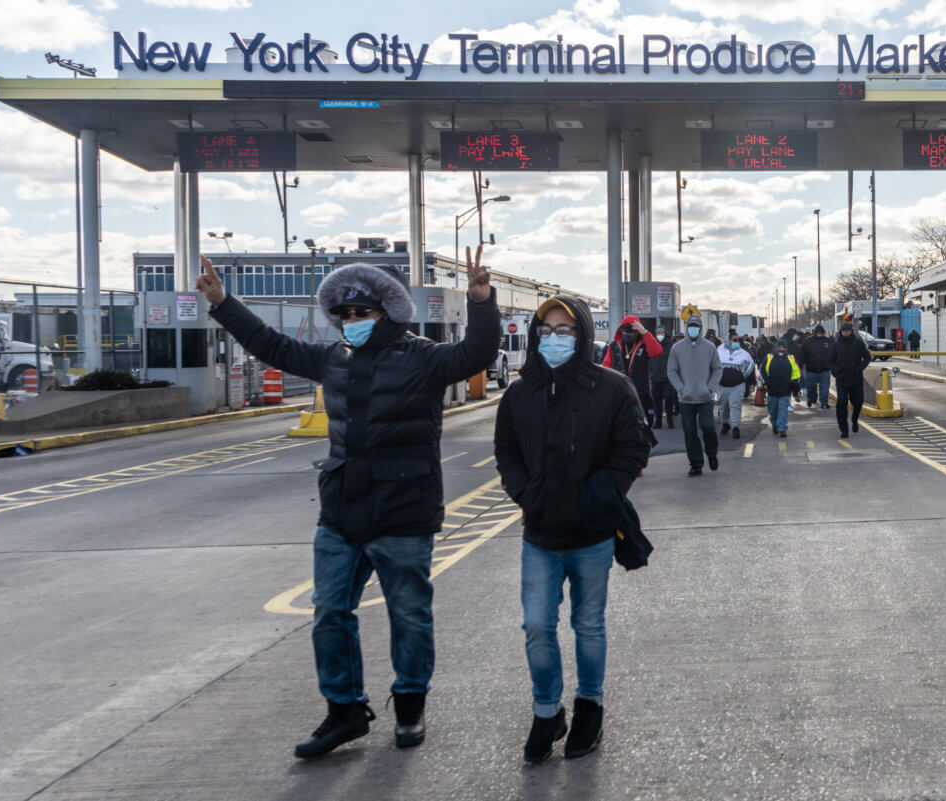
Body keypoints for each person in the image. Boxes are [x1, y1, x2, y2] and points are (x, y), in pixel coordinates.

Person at [197, 249, 499, 759]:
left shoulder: (424, 357)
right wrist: (224, 302)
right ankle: (345, 711)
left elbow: (477, 353)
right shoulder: (332, 358)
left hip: (405, 509)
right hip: (341, 509)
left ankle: (409, 707)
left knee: (409, 613)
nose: (354, 322)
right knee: (329, 612)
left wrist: (480, 301)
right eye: (347, 315)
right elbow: (271, 344)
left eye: (365, 313)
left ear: (388, 312)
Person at [494, 296, 651, 763]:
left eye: (565, 330)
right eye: (547, 330)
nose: (555, 338)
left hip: (592, 534)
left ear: (582, 335)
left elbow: (633, 448)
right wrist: (527, 494)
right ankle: (547, 711)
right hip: (540, 534)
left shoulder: (612, 387)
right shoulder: (520, 393)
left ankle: (589, 708)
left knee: (588, 624)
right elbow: (506, 452)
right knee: (538, 626)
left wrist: (599, 496)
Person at [668, 315, 723, 476]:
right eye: (690, 325)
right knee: (690, 432)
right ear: (687, 327)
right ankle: (696, 464)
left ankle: (711, 454)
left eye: (696, 326)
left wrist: (710, 387)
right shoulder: (677, 348)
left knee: (708, 427)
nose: (693, 328)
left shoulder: (709, 347)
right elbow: (672, 371)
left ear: (700, 328)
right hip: (686, 399)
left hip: (705, 397)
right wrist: (680, 388)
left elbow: (717, 368)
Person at [603, 315, 662, 428]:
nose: (626, 335)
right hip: (620, 396)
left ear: (636, 332)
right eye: (624, 332)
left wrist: (644, 332)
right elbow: (607, 366)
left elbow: (657, 351)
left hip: (642, 395)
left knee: (645, 430)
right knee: (623, 429)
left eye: (630, 332)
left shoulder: (644, 345)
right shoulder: (614, 346)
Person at [828, 321, 873, 438]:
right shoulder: (836, 345)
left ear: (851, 331)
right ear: (841, 332)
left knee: (858, 403)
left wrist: (861, 368)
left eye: (847, 330)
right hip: (842, 380)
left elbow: (867, 357)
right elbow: (830, 361)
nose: (845, 333)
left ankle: (854, 419)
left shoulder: (858, 343)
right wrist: (836, 371)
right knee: (841, 404)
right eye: (843, 331)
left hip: (856, 379)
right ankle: (844, 429)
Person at [716, 333, 755, 439]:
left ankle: (736, 428)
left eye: (738, 340)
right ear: (728, 340)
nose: (737, 342)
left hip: (737, 386)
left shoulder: (744, 354)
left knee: (735, 407)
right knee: (723, 407)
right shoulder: (719, 351)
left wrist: (751, 382)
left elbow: (751, 368)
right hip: (722, 385)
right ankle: (725, 424)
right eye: (734, 340)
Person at [760, 339, 799, 438]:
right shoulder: (769, 358)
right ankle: (774, 424)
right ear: (776, 348)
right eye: (780, 347)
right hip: (772, 390)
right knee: (773, 411)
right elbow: (762, 371)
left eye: (783, 347)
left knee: (783, 410)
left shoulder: (791, 359)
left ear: (786, 348)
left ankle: (782, 429)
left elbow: (796, 374)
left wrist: (794, 388)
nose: (781, 349)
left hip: (785, 391)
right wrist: (767, 385)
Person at [800, 324, 834, 409]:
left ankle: (824, 403)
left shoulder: (828, 341)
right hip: (811, 370)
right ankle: (811, 399)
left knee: (824, 389)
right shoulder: (808, 341)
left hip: (825, 371)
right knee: (811, 388)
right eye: (818, 332)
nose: (819, 333)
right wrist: (803, 365)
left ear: (823, 332)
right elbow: (802, 354)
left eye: (821, 332)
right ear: (815, 332)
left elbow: (833, 354)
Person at [649, 325, 676, 429]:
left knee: (669, 398)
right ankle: (658, 421)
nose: (660, 335)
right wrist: (650, 374)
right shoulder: (652, 344)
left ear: (665, 333)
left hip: (668, 378)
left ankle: (670, 419)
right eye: (658, 333)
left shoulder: (670, 345)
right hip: (655, 377)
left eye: (662, 333)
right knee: (657, 400)